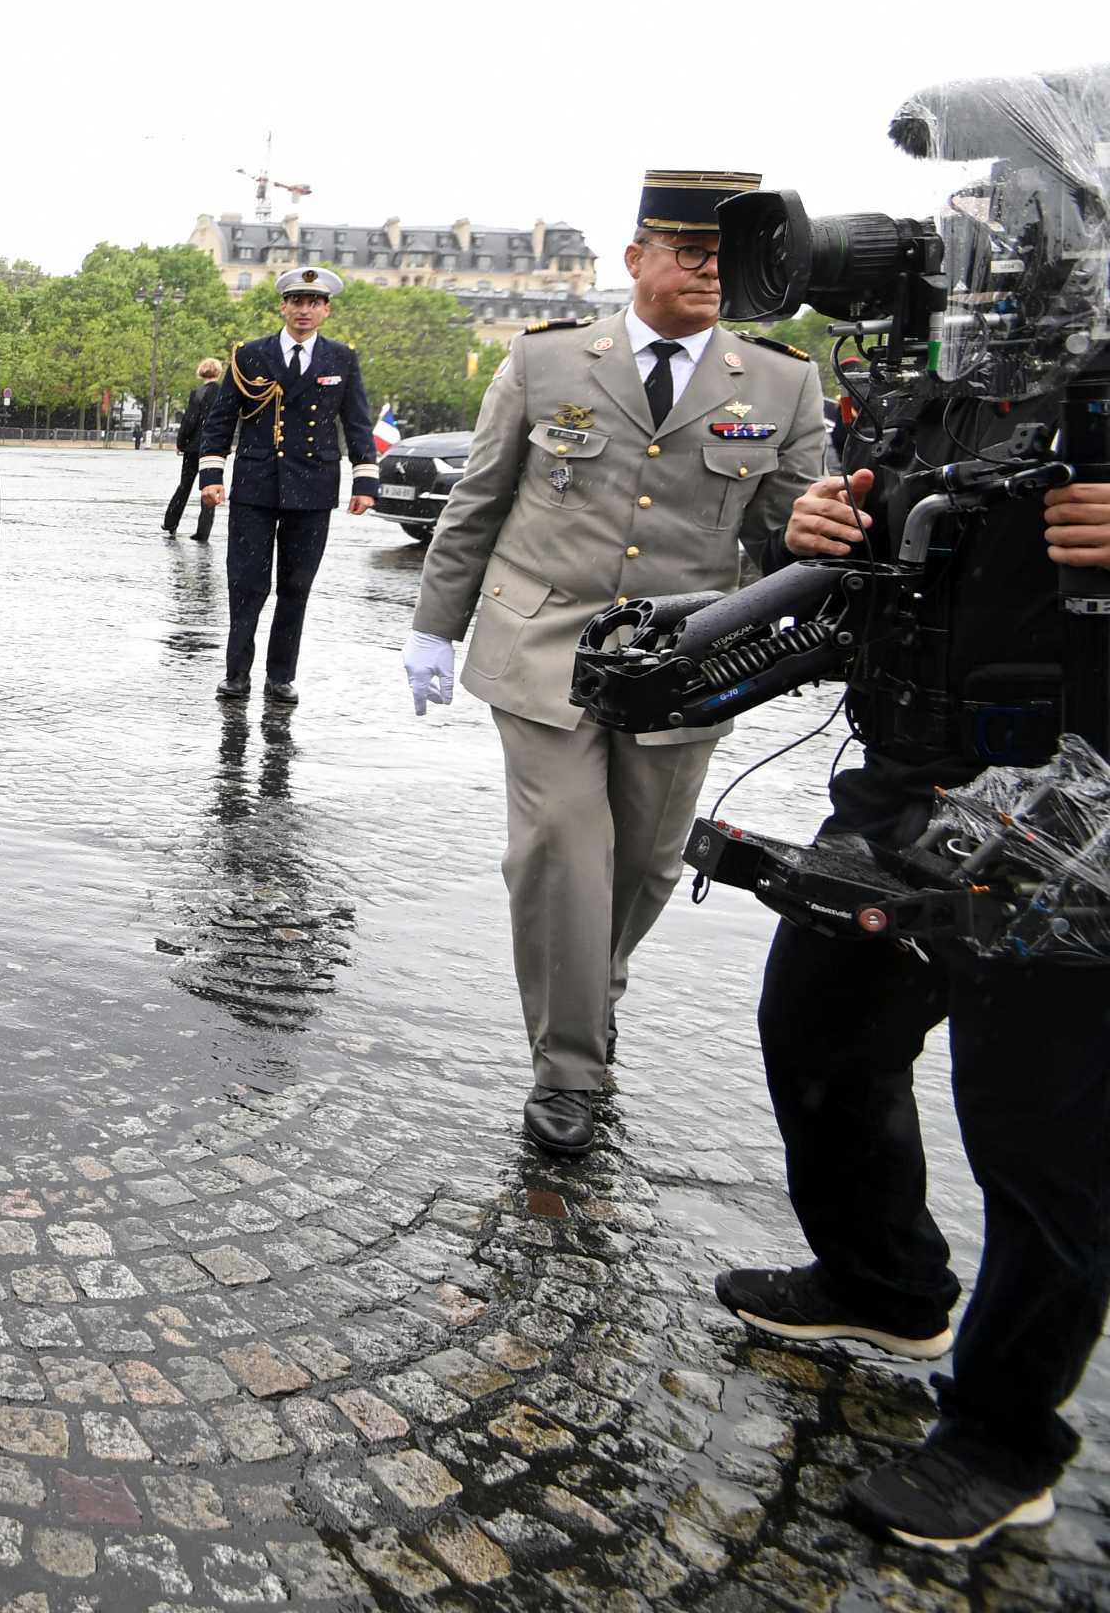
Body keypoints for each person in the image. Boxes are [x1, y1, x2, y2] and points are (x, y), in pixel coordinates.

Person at [708, 421, 1110, 1549]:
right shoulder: (972, 371)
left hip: (1082, 805)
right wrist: (826, 525)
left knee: (1042, 1129)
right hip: (908, 775)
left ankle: (1005, 1432)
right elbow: (878, 549)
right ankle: (883, 1283)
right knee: (819, 1022)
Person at [402, 170, 825, 1156]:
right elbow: (479, 498)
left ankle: (590, 989)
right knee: (564, 852)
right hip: (542, 641)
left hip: (683, 660)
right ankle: (571, 1068)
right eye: (691, 253)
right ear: (635, 256)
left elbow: (790, 534)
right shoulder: (548, 361)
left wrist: (822, 536)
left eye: (729, 261)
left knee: (642, 865)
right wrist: (435, 622)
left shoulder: (780, 379)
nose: (711, 274)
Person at [197, 267, 378, 705]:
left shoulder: (341, 359)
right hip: (256, 486)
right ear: (283, 306)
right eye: (296, 301)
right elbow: (222, 418)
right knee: (246, 585)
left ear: (326, 310)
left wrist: (365, 479)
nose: (304, 310)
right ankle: (236, 673)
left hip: (313, 488)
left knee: (296, 587)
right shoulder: (250, 355)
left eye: (314, 303)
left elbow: (355, 422)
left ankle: (281, 676)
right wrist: (212, 475)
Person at [161, 357, 225, 541]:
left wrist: (182, 442)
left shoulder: (197, 394)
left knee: (184, 485)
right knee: (209, 487)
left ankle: (171, 522)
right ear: (218, 373)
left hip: (194, 446)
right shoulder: (222, 394)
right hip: (213, 448)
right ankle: (203, 530)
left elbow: (189, 421)